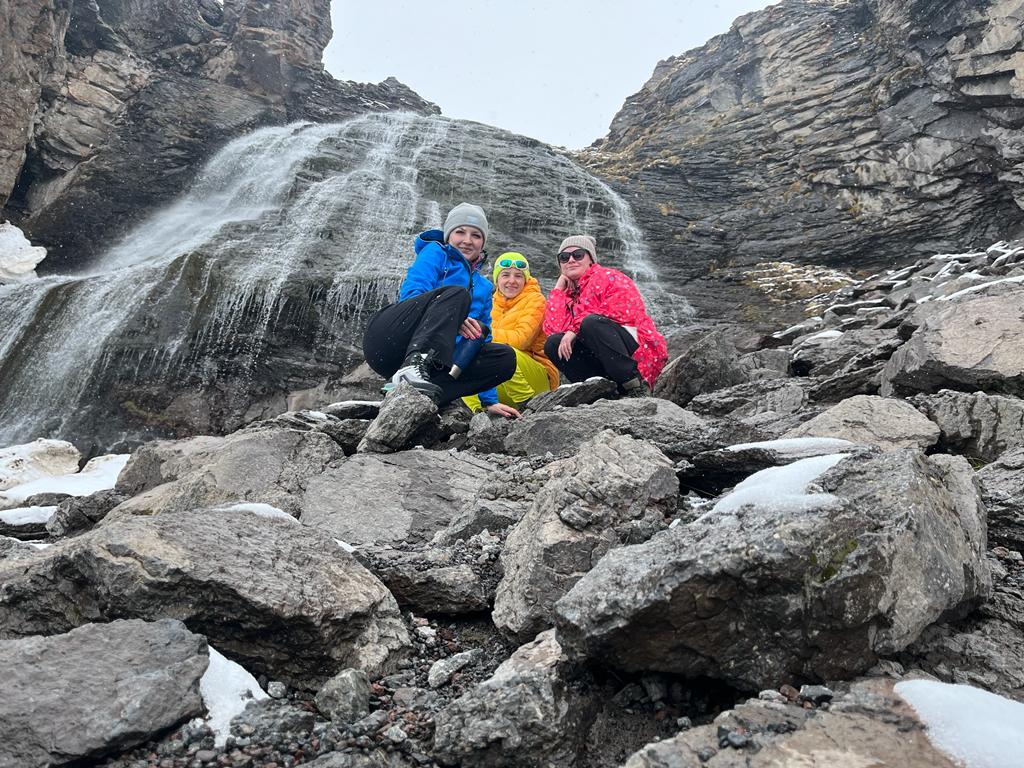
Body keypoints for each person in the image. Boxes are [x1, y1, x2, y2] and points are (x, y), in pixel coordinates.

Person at [362, 203, 518, 417]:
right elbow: (412, 295)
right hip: (390, 339)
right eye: (460, 232)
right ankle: (410, 369)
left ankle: (426, 395)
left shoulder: (483, 287)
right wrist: (453, 316)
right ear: (448, 235)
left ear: (483, 243)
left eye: (476, 235)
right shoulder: (435, 252)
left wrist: (489, 401)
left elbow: (479, 341)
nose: (467, 240)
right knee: (457, 294)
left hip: (434, 361)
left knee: (504, 358)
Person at [542, 234, 667, 396]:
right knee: (553, 343)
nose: (571, 260)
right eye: (564, 257)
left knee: (591, 323)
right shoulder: (568, 295)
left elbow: (622, 310)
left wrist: (574, 329)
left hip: (636, 354)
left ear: (591, 259)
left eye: (578, 255)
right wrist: (558, 291)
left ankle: (635, 386)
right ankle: (600, 392)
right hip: (605, 361)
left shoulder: (608, 277)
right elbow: (554, 329)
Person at [463, 252, 559, 411]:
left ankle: (528, 405)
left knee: (503, 352)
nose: (512, 281)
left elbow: (522, 340)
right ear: (497, 279)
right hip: (500, 379)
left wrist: (482, 333)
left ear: (526, 279)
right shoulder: (489, 301)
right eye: (505, 275)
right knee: (462, 357)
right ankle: (481, 412)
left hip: (536, 378)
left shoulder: (536, 300)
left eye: (518, 276)